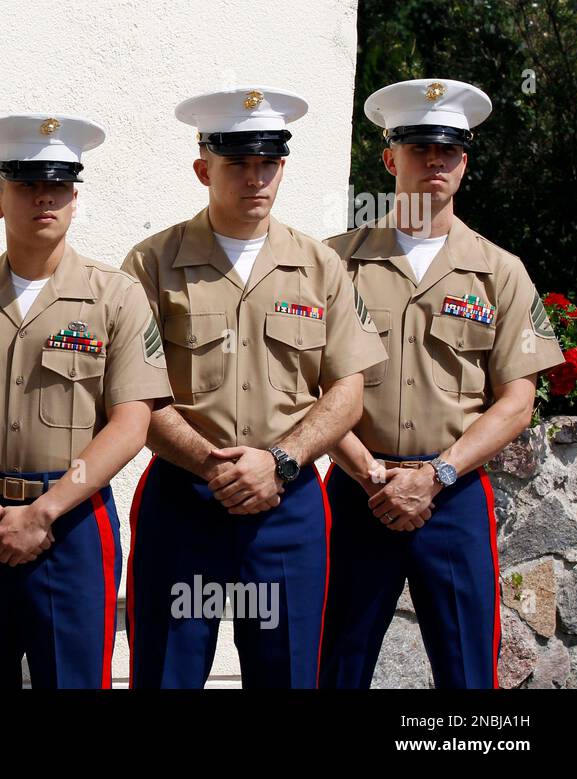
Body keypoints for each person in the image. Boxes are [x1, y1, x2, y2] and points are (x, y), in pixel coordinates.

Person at [120, 87, 387, 688]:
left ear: (282, 167)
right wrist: (215, 466)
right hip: (184, 506)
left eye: (268, 163)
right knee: (167, 676)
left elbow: (347, 389)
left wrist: (280, 462)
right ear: (202, 168)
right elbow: (134, 395)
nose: (255, 178)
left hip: (286, 509)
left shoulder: (320, 267)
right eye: (237, 163)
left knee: (291, 676)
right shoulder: (152, 264)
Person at [0, 114, 172, 688]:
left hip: (72, 525)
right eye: (25, 183)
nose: (43, 197)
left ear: (75, 198)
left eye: (58, 184)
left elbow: (131, 423)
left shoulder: (115, 297)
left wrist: (45, 512)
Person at [319, 79, 565, 689]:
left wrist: (436, 476)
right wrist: (372, 474)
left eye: (449, 149)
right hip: (356, 491)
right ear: (388, 157)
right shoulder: (332, 263)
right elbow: (304, 387)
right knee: (335, 665)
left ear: (464, 161)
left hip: (453, 495)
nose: (434, 160)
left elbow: (516, 402)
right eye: (417, 145)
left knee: (467, 672)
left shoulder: (500, 272)